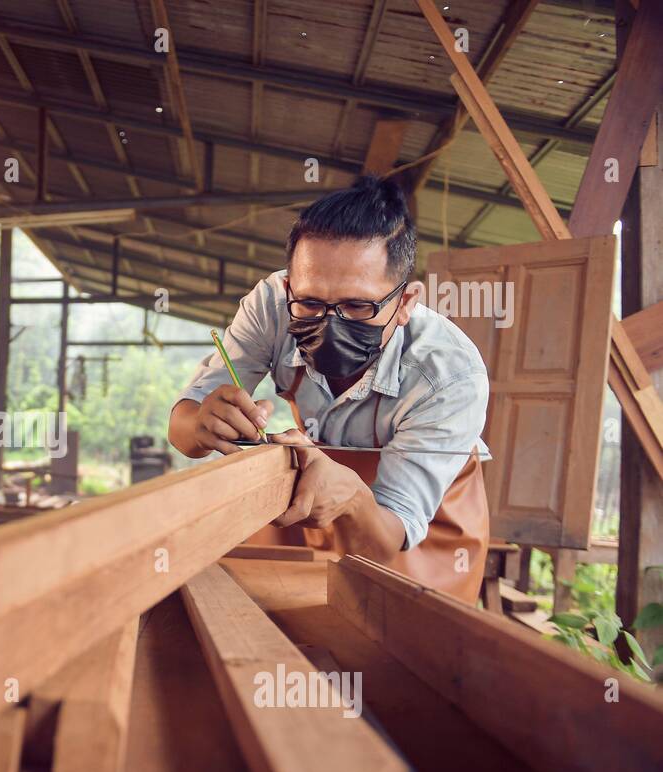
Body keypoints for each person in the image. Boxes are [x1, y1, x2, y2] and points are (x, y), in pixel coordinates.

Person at [167, 175, 490, 603]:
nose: (330, 324)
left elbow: (384, 542)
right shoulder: (271, 305)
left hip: (412, 524)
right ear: (288, 290)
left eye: (359, 306)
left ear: (407, 302)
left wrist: (355, 497)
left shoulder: (449, 375)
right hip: (318, 477)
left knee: (408, 634)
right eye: (311, 303)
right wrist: (203, 423)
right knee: (268, 604)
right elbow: (183, 433)